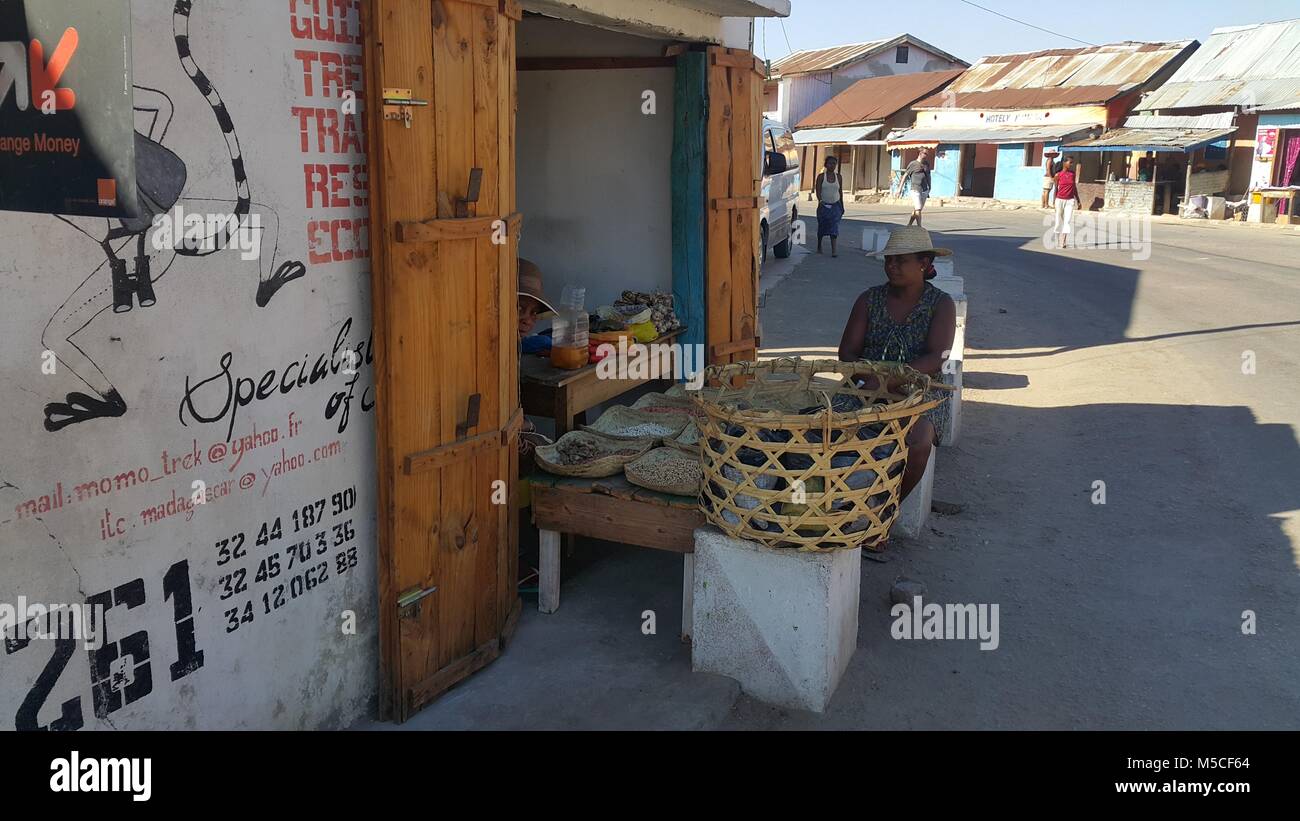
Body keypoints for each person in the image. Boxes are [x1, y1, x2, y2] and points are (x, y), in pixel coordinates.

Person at [837, 226, 956, 513]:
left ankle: (885, 512)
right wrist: (873, 381)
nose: (892, 266)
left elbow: (937, 357)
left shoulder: (941, 304)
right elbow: (847, 353)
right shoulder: (869, 299)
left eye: (901, 260)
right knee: (829, 431)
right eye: (889, 260)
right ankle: (840, 509)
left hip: (920, 392)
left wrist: (891, 382)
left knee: (918, 441)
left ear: (924, 264)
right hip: (865, 387)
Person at [517, 258, 558, 463]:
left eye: (533, 313)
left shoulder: (516, 347)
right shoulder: (488, 353)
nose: (527, 319)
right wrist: (523, 425)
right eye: (519, 308)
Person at [815, 155, 845, 257]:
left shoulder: (839, 177)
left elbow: (840, 192)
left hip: (835, 205)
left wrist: (842, 206)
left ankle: (834, 251)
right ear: (826, 165)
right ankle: (819, 245)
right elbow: (818, 191)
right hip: (824, 206)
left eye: (834, 163)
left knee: (834, 227)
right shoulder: (821, 177)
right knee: (822, 227)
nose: (832, 165)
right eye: (830, 163)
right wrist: (820, 201)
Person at [1052, 157, 1081, 249]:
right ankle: (1057, 239)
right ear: (1064, 163)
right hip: (1059, 200)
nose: (1071, 164)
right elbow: (1056, 189)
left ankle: (1063, 241)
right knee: (1058, 221)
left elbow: (1074, 188)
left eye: (1072, 163)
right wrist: (1054, 201)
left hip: (1070, 200)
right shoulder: (1058, 175)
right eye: (1070, 162)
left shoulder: (1072, 174)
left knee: (1067, 221)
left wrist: (1078, 200)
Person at [902, 148, 932, 226]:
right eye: (925, 153)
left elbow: (928, 176)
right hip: (915, 189)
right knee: (918, 208)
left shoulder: (926, 164)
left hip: (924, 189)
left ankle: (909, 224)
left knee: (917, 209)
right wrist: (899, 189)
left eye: (927, 154)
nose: (926, 155)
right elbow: (905, 175)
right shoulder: (913, 164)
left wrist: (930, 186)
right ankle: (919, 227)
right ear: (920, 153)